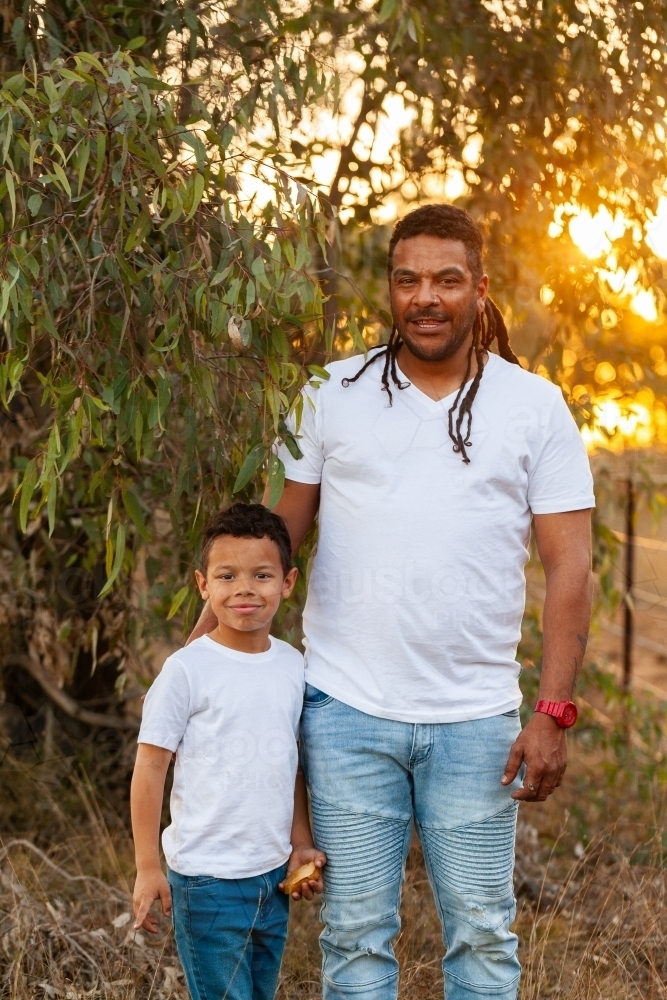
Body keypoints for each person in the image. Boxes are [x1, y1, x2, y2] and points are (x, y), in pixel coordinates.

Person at [190, 204, 595, 1000]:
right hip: (345, 712)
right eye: (407, 279)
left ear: (479, 289)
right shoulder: (330, 393)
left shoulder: (533, 406)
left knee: (481, 934)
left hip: (476, 722)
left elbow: (569, 565)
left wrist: (552, 710)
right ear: (389, 290)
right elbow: (267, 549)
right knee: (353, 938)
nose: (426, 297)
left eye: (447, 279)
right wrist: (197, 670)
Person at [131, 503, 326, 1000]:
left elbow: (291, 764)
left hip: (270, 874)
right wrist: (148, 866)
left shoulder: (292, 666)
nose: (244, 588)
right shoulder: (186, 670)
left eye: (262, 575)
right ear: (203, 585)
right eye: (227, 575)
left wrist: (299, 843)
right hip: (206, 881)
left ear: (287, 583)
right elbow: (151, 767)